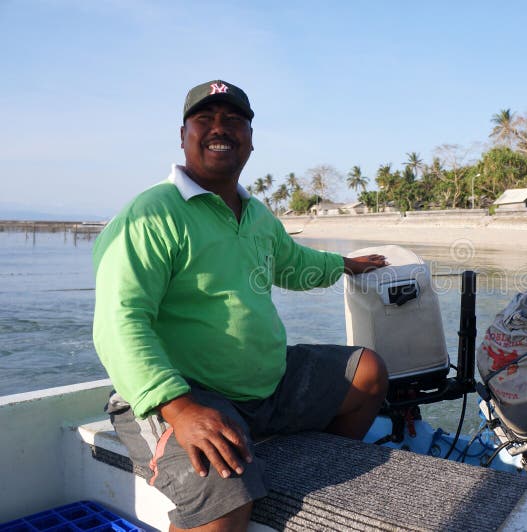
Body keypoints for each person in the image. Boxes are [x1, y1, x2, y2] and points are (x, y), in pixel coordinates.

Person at [92, 79, 389, 531]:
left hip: (265, 386)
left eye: (233, 120)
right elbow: (119, 322)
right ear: (183, 135)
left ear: (250, 140)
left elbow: (293, 264)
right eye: (205, 119)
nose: (220, 129)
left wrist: (343, 264)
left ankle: (306, 472)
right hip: (181, 394)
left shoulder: (256, 215)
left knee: (367, 374)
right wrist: (180, 409)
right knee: (224, 500)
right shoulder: (152, 214)